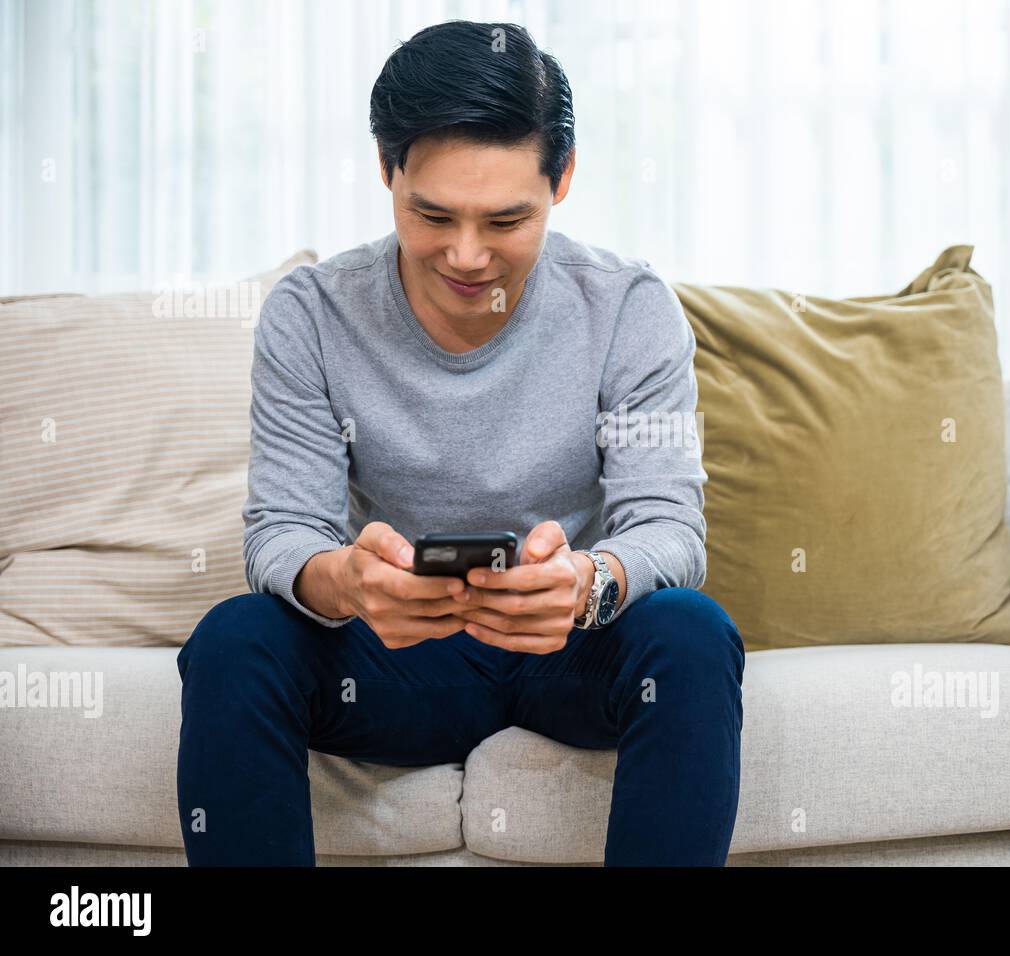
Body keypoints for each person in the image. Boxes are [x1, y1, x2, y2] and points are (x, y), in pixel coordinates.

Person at [175, 19, 744, 867]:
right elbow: (282, 534)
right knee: (233, 640)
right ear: (385, 170)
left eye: (507, 219)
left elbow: (670, 528)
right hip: (394, 661)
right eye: (431, 214)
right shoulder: (312, 315)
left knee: (692, 634)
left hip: (567, 648)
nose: (468, 256)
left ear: (564, 180)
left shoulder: (628, 308)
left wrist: (591, 583)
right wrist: (351, 582)